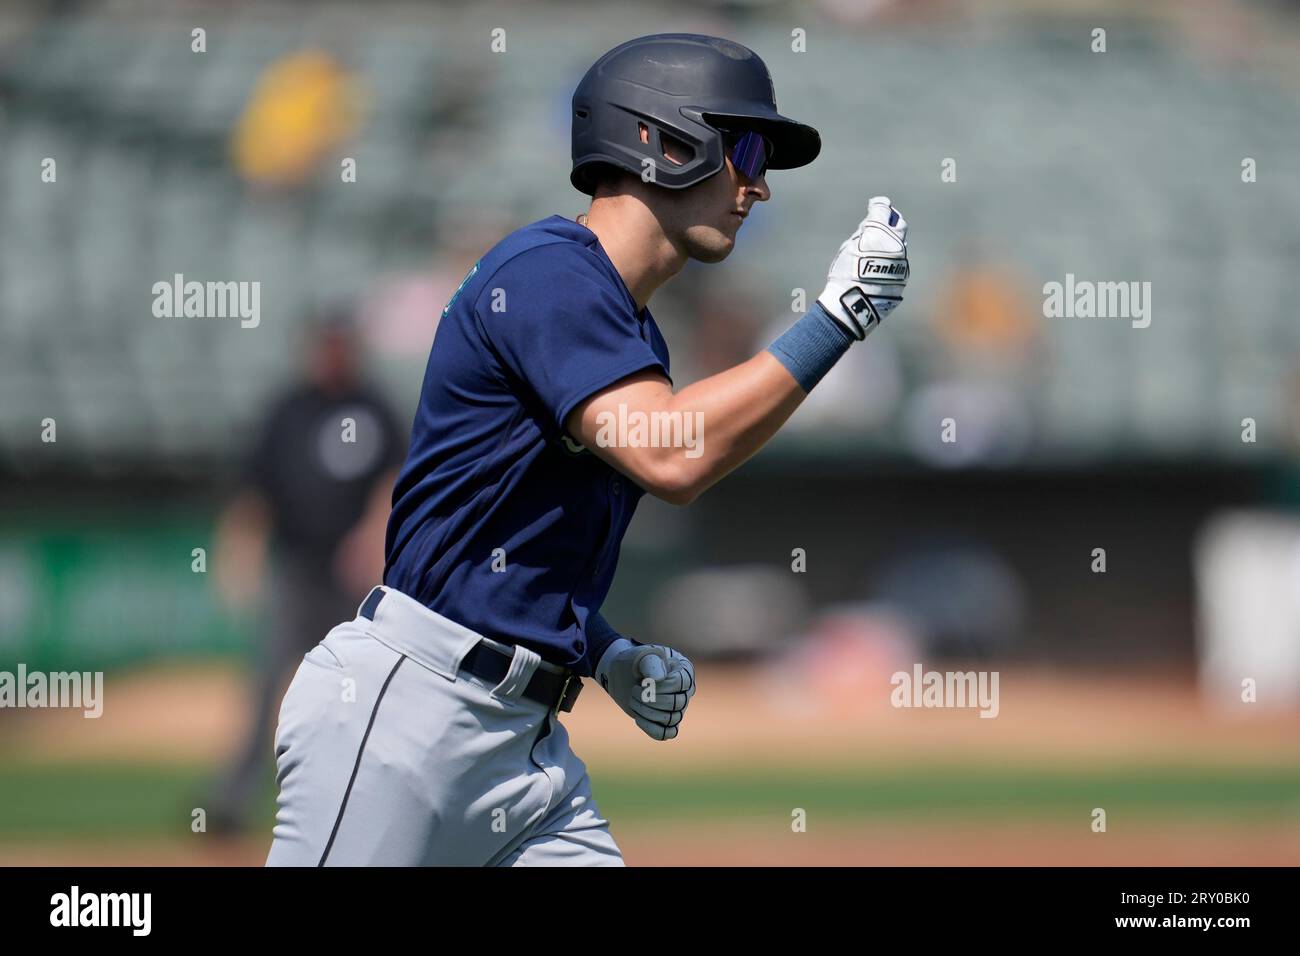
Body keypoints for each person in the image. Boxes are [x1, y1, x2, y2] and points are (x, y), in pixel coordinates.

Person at [266, 32, 909, 866]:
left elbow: (523, 547)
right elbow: (673, 455)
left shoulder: (622, 324)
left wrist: (605, 654)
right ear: (658, 138)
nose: (758, 185)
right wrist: (837, 319)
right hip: (407, 716)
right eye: (744, 149)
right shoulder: (550, 273)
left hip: (523, 744)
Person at [209, 309, 404, 833]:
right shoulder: (288, 411)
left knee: (366, 693)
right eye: (326, 344)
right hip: (296, 571)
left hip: (354, 581)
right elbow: (255, 490)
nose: (333, 354)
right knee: (266, 684)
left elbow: (396, 482)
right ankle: (232, 799)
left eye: (342, 344)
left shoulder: (374, 408)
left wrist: (372, 535)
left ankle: (375, 802)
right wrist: (240, 552)